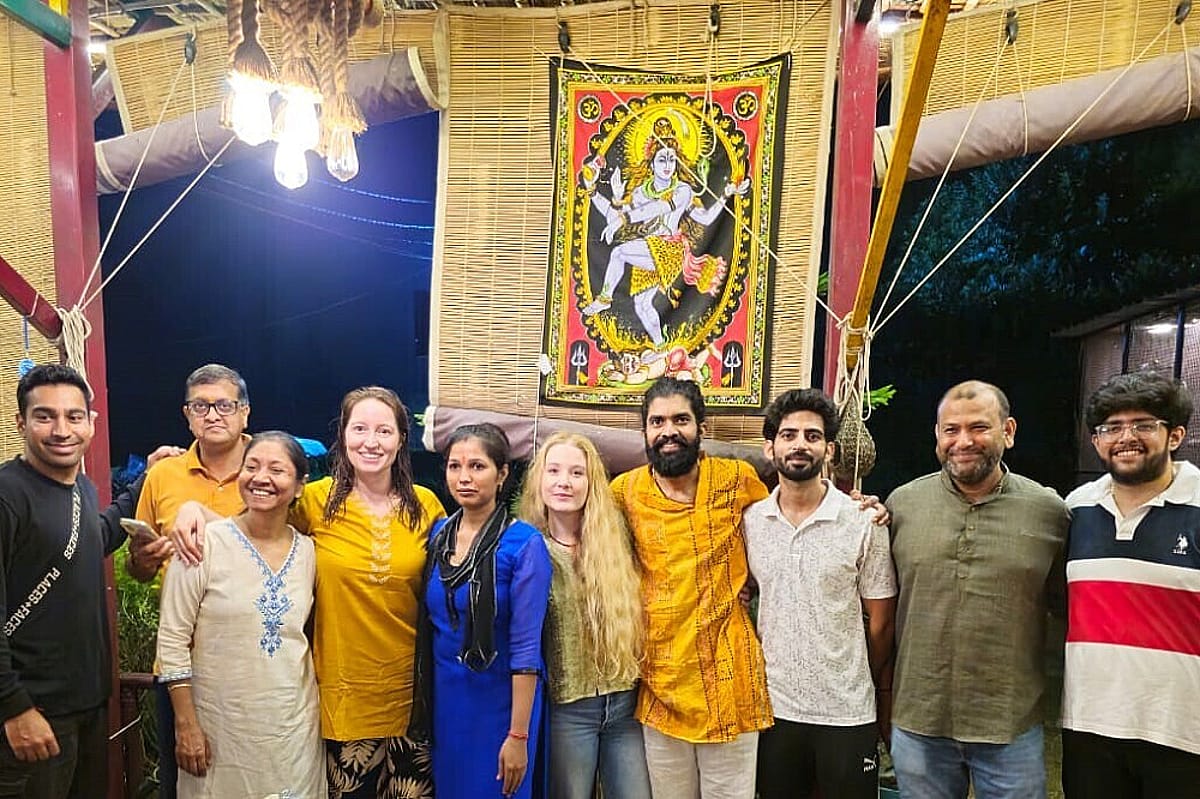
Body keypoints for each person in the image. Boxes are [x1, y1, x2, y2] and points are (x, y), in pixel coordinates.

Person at [171, 386, 445, 798]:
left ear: (401, 439)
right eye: (360, 429)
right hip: (342, 699)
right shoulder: (317, 500)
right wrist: (194, 510)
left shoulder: (425, 507)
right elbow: (255, 527)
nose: (371, 442)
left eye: (384, 431)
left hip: (413, 698)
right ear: (344, 436)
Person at [885, 380, 1069, 799]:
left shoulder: (1049, 513)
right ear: (937, 436)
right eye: (951, 430)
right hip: (920, 718)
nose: (963, 441)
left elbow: (1067, 609)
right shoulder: (902, 505)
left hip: (1008, 720)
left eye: (979, 428)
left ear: (1008, 431)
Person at [0, 364, 165, 798]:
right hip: (30, 716)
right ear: (21, 422)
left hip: (86, 709)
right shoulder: (8, 495)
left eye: (74, 417)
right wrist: (13, 708)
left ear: (90, 424)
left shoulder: (80, 489)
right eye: (44, 416)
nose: (61, 430)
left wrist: (147, 479)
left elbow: (95, 536)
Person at [609, 376, 771, 799]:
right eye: (657, 421)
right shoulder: (624, 493)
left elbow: (785, 520)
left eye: (681, 419)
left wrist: (857, 504)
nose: (668, 431)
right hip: (659, 685)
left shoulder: (737, 480)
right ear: (644, 431)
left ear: (701, 426)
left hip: (729, 685)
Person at [743, 388, 897, 799]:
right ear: (770, 447)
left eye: (812, 436)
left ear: (829, 450)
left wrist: (852, 674)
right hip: (774, 709)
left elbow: (881, 622)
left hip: (846, 711)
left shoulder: (863, 521)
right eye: (789, 435)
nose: (799, 445)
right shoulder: (752, 521)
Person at [157, 431, 323, 798]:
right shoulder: (202, 543)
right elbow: (172, 639)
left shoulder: (310, 554)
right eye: (252, 466)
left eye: (277, 470)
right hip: (219, 728)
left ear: (299, 486)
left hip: (293, 729)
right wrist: (186, 726)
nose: (261, 477)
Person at [1060, 371, 1200, 797]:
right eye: (1111, 428)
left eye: (1143, 425)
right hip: (1088, 725)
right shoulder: (1075, 508)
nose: (1126, 437)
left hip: (1183, 732)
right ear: (1097, 441)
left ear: (1175, 435)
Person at [127, 363, 252, 799]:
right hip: (181, 664)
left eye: (224, 405)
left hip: (253, 662)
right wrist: (142, 559)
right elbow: (139, 571)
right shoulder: (162, 476)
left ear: (245, 413)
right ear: (187, 415)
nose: (213, 415)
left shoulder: (269, 469)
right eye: (201, 406)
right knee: (187, 779)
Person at [411, 423, 551, 798]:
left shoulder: (524, 544)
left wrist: (518, 736)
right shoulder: (438, 533)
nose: (464, 477)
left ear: (502, 473)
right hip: (448, 702)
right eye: (455, 466)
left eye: (477, 466)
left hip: (501, 708)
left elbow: (526, 651)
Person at [517, 432, 651, 799]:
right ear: (538, 480)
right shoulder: (527, 548)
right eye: (554, 470)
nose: (564, 482)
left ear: (591, 483)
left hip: (625, 706)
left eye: (577, 473)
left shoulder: (617, 540)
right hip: (568, 711)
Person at [580, 116, 747, 347]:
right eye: (662, 160)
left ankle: (605, 298)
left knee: (618, 253)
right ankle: (661, 348)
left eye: (671, 159)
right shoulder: (640, 193)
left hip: (669, 250)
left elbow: (677, 211)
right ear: (651, 163)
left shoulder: (682, 190)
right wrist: (592, 190)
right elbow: (612, 215)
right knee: (642, 305)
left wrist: (726, 194)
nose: (668, 165)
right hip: (649, 250)